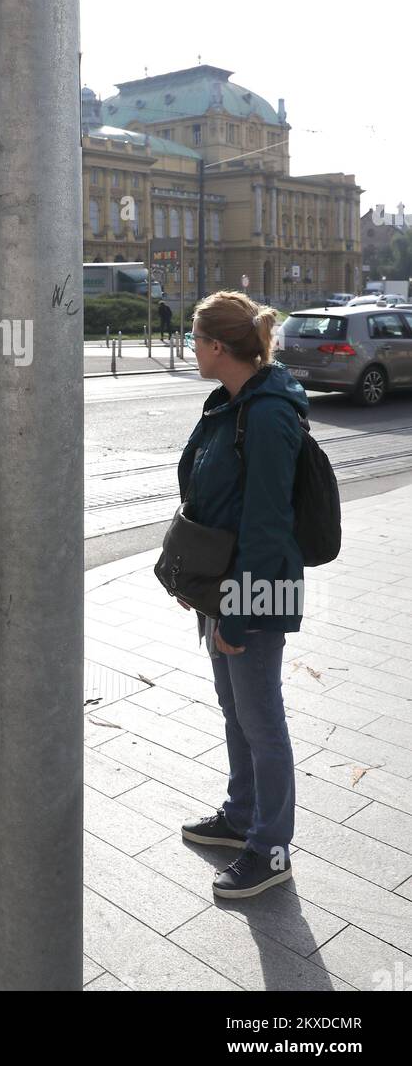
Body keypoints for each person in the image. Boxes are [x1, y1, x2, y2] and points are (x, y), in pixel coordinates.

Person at [177, 291, 308, 899]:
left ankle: (271, 846)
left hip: (259, 586)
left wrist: (238, 607)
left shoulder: (268, 412)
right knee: (236, 709)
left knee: (262, 718)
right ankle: (241, 815)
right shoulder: (232, 403)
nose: (190, 347)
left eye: (195, 338)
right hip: (226, 582)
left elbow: (267, 526)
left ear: (218, 347)